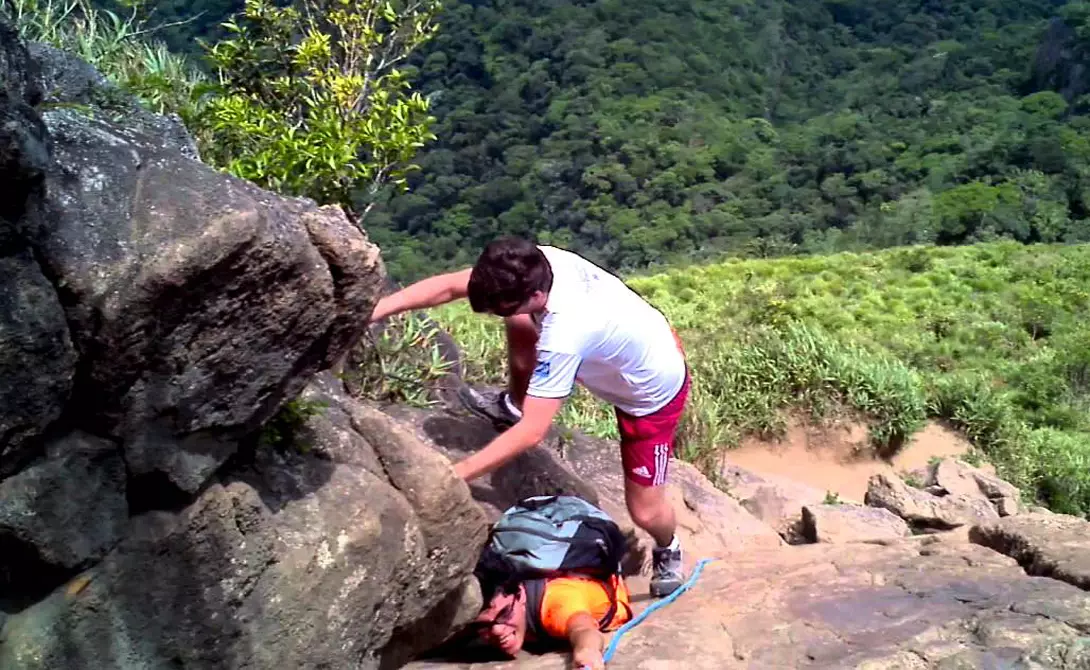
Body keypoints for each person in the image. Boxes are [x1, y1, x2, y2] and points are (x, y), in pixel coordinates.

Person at [370, 237, 691, 597]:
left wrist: (452, 475)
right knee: (519, 320)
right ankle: (514, 402)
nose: (493, 312)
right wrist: (374, 310)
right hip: (638, 337)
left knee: (646, 512)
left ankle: (670, 547)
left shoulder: (566, 330)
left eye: (498, 306)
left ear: (538, 295)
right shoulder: (534, 264)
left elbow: (533, 431)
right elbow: (448, 286)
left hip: (649, 393)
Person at [469, 568, 633, 669]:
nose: (497, 630)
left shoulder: (555, 604)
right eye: (484, 626)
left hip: (608, 588)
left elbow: (582, 628)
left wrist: (587, 652)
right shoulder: (509, 600)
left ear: (520, 595)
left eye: (504, 614)